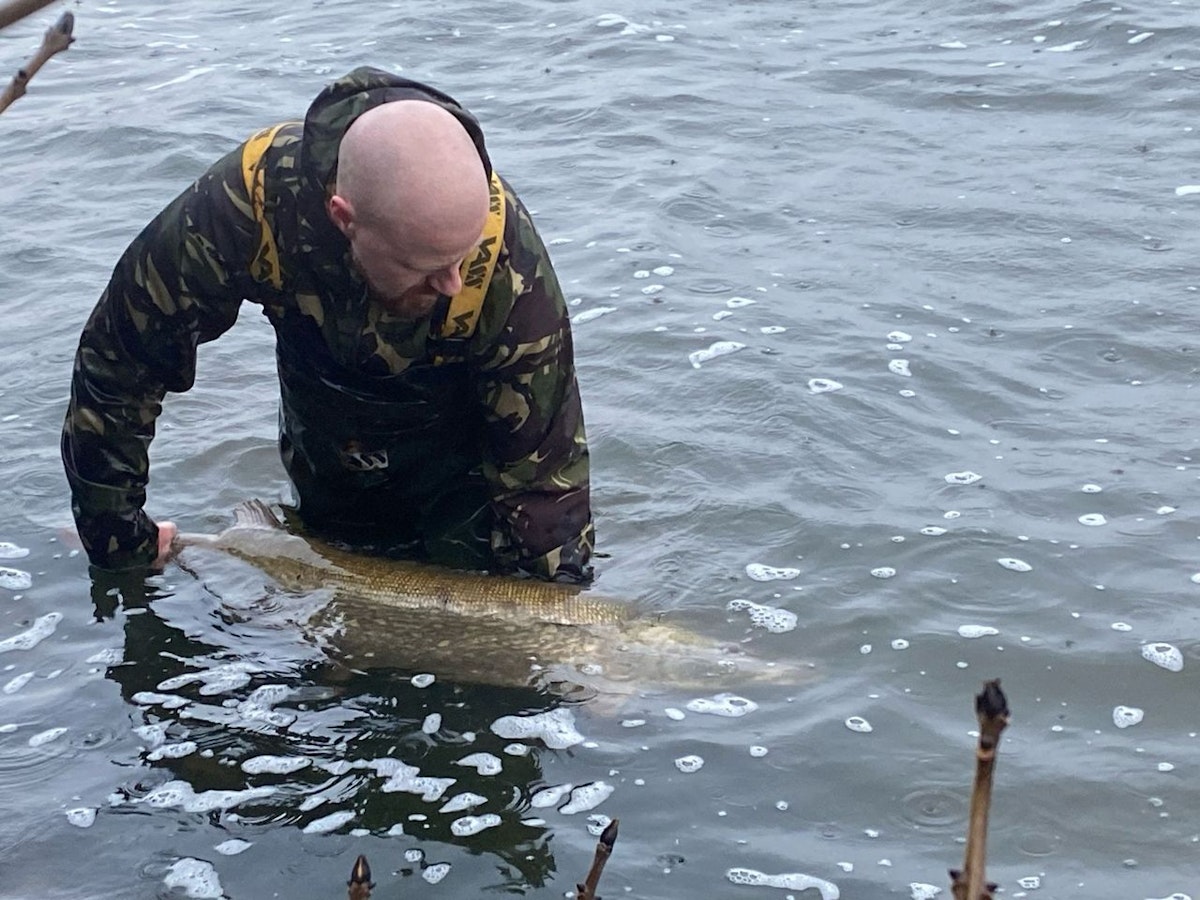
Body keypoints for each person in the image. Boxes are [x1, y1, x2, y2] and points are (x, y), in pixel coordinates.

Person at [61, 67, 593, 583]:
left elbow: (547, 487)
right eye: (425, 268)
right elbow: (119, 366)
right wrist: (118, 542)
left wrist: (552, 635)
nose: (454, 283)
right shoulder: (250, 204)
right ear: (344, 217)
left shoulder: (511, 268)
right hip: (327, 431)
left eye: (462, 257)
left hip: (461, 453)